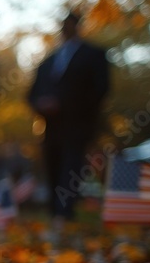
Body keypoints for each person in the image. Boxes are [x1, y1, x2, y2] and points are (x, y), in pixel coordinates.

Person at [28, 12, 110, 229]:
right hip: (51, 127)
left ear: (78, 26)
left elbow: (100, 89)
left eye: (70, 25)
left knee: (71, 166)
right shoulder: (49, 61)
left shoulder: (93, 55)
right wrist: (41, 104)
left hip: (77, 124)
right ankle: (55, 210)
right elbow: (32, 93)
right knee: (53, 166)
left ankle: (65, 212)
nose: (66, 29)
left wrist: (65, 104)